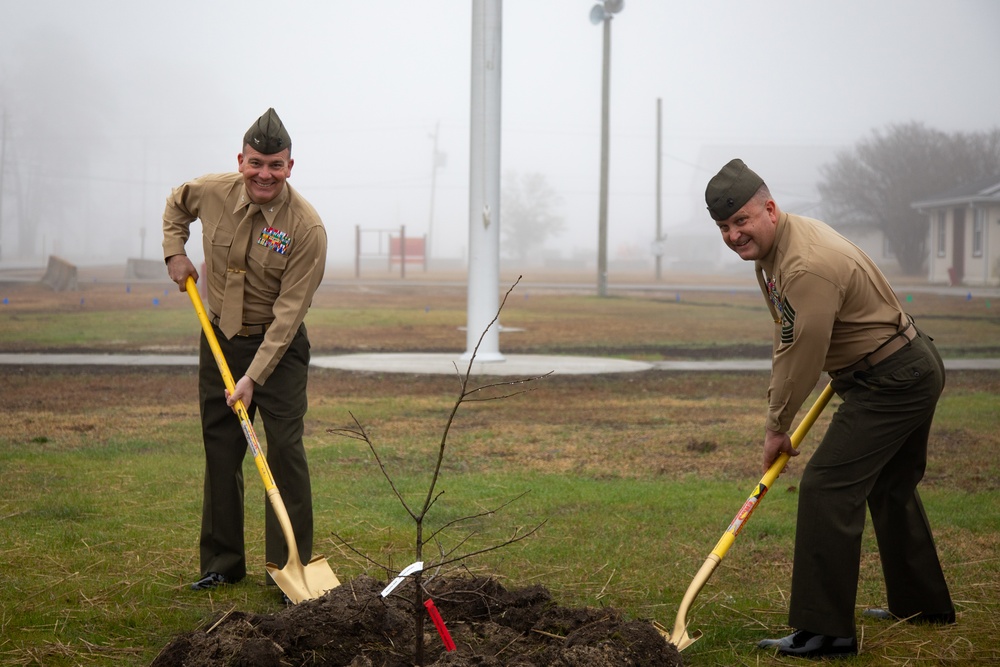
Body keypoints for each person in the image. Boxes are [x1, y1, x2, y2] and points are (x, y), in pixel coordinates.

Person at [704, 159, 955, 659]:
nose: (733, 235)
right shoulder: (777, 250)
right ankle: (922, 604)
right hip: (900, 366)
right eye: (724, 228)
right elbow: (789, 333)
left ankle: (825, 631)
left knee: (825, 488)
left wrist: (777, 427)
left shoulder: (805, 264)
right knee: (889, 485)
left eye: (741, 222)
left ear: (769, 209)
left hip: (892, 379)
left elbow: (802, 354)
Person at [162, 108, 327, 599]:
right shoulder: (213, 191)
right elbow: (176, 205)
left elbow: (288, 316)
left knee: (284, 452)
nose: (264, 174)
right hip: (219, 340)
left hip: (277, 349)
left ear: (290, 167)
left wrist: (252, 377)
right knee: (222, 450)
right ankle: (222, 564)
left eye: (275, 165)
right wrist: (175, 251)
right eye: (256, 162)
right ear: (241, 160)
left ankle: (286, 567)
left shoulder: (306, 229)